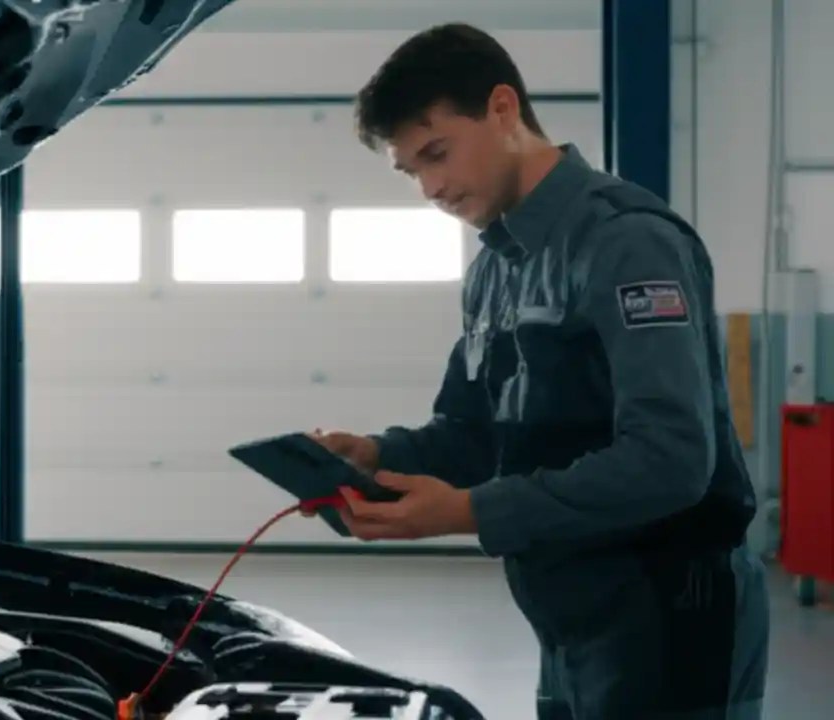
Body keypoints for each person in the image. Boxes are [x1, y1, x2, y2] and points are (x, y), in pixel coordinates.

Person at [309, 23, 769, 720]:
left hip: (670, 614)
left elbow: (671, 459)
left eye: (437, 153)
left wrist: (470, 511)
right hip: (573, 617)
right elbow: (472, 434)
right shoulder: (495, 267)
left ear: (502, 109)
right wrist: (377, 454)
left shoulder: (626, 242)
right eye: (411, 172)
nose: (431, 187)